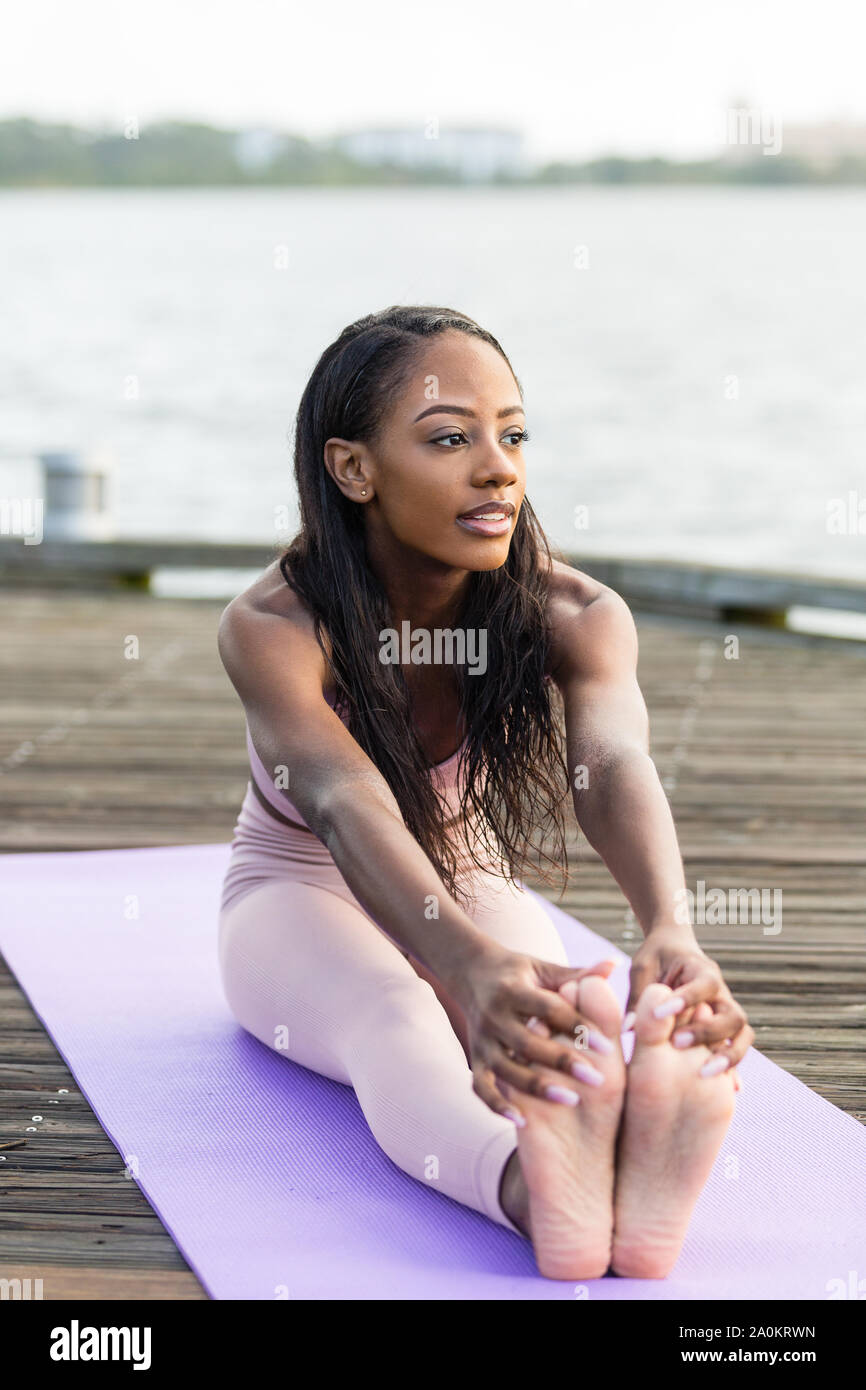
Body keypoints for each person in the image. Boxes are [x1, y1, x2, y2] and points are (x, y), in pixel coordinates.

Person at [217, 305, 752, 1280]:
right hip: (296, 890)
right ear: (353, 468)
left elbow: (612, 767)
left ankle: (626, 1166)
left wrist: (667, 926)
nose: (498, 466)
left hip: (467, 872)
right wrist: (457, 968)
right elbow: (341, 802)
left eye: (511, 434)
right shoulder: (275, 624)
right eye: (449, 438)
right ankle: (529, 1187)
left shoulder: (575, 612)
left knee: (567, 1014)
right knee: (396, 1012)